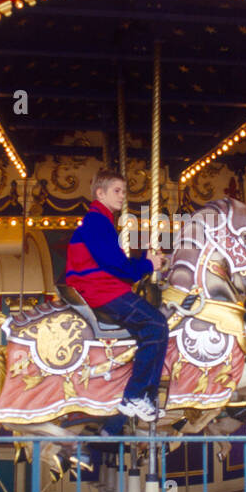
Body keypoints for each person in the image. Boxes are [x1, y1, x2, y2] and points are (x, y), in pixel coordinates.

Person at [64, 170, 167, 422]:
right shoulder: (97, 221)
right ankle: (135, 396)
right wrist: (148, 266)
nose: (123, 196)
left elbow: (117, 264)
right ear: (100, 193)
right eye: (117, 191)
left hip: (104, 287)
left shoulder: (102, 221)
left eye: (124, 191)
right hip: (102, 290)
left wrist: (145, 262)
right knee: (155, 324)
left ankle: (145, 397)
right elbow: (115, 265)